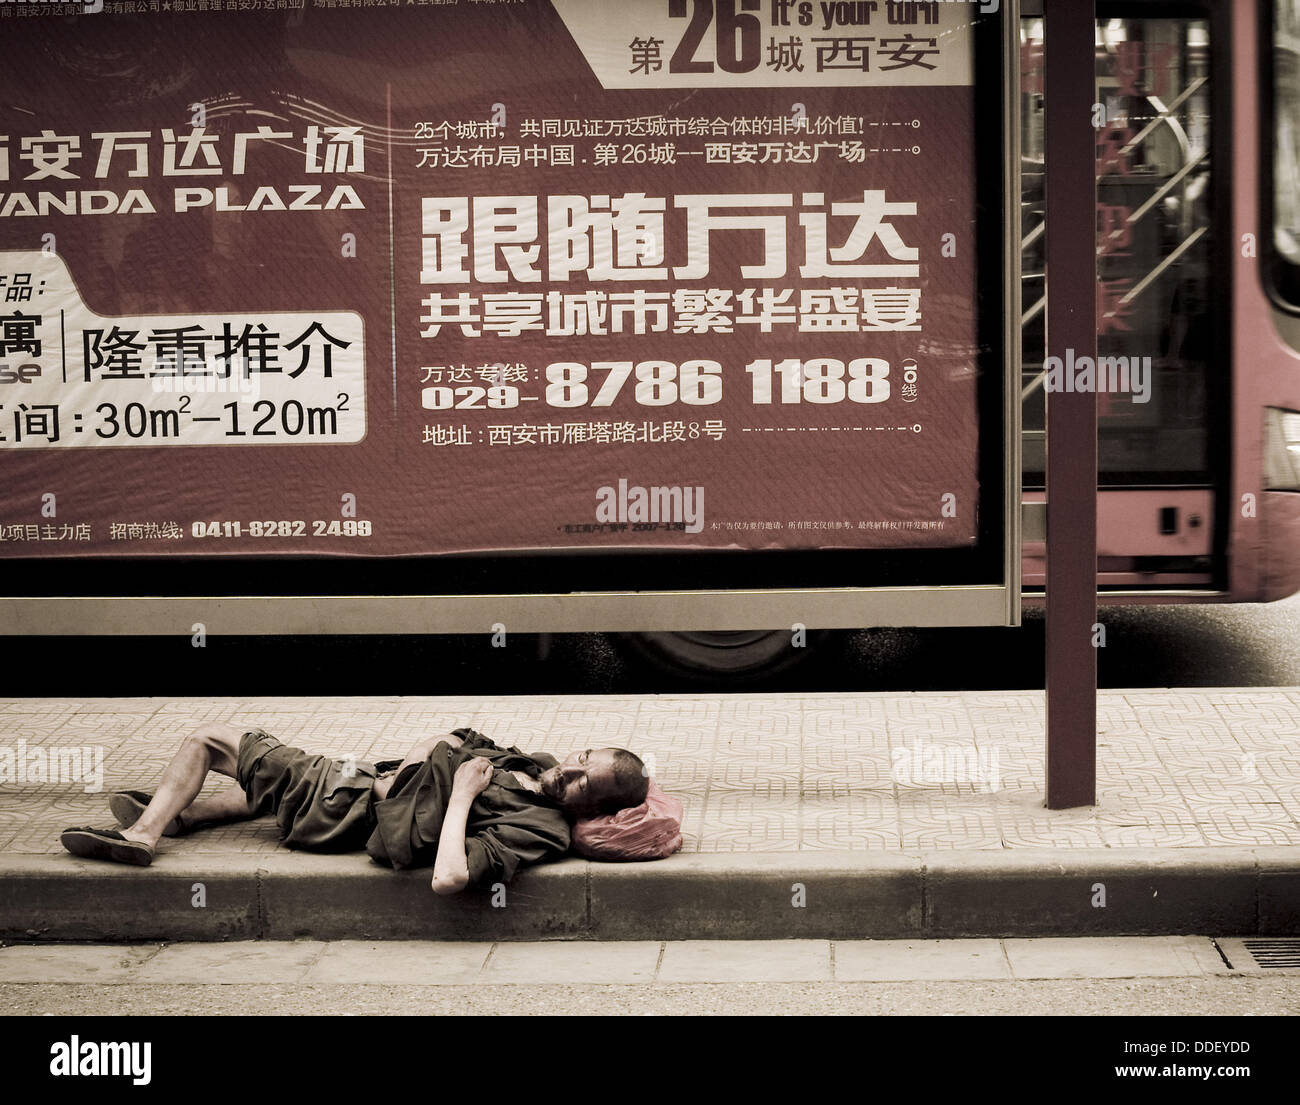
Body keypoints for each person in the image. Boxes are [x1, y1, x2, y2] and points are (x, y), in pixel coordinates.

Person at [59, 724, 649, 894]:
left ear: (591, 810)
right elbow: (461, 737)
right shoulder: (539, 762)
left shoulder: (541, 829)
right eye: (580, 757)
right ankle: (186, 815)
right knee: (272, 786)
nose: (563, 771)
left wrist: (462, 792)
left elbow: (448, 878)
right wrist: (434, 749)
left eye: (579, 784)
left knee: (208, 743)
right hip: (358, 779)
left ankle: (143, 833)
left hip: (342, 803)